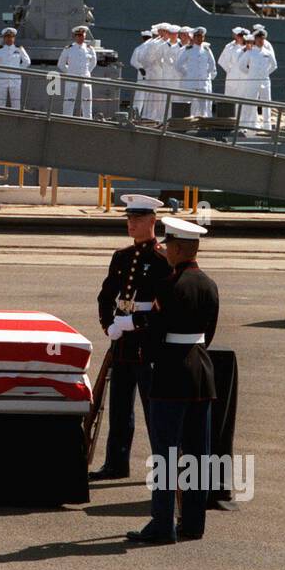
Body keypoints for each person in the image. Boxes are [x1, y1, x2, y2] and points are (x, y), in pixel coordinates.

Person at [119, 216, 219, 544]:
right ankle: (194, 522)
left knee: (166, 453)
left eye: (168, 246)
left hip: (171, 375)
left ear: (176, 249)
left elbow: (155, 333)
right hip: (201, 374)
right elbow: (209, 333)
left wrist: (144, 351)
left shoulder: (169, 285)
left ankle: (162, 524)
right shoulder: (209, 284)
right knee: (197, 453)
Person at [92, 194, 171, 481]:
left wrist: (135, 321)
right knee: (119, 406)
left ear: (152, 221)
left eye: (137, 220)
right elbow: (105, 296)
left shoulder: (163, 258)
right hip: (123, 342)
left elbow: (165, 304)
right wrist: (108, 325)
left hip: (147, 342)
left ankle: (163, 465)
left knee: (155, 409)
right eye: (129, 219)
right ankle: (115, 463)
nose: (131, 224)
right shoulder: (122, 256)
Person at [237, 27, 276, 131]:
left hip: (265, 81)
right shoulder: (250, 52)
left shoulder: (268, 53)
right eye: (259, 39)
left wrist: (265, 74)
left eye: (262, 39)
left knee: (267, 103)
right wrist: (250, 74)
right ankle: (247, 125)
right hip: (252, 81)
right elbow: (241, 65)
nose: (261, 41)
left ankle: (267, 126)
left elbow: (274, 66)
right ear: (255, 39)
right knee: (250, 103)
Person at [57, 24, 97, 119]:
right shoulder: (69, 49)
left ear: (85, 36)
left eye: (82, 35)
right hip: (72, 77)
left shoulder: (89, 49)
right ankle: (66, 119)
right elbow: (61, 64)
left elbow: (93, 63)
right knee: (69, 101)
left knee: (87, 101)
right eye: (78, 35)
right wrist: (70, 72)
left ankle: (88, 120)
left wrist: (86, 72)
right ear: (75, 36)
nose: (81, 37)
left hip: (85, 77)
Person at [180, 27, 216, 118]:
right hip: (191, 83)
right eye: (198, 37)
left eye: (202, 37)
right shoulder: (188, 50)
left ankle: (204, 125)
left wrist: (207, 74)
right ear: (194, 38)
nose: (200, 39)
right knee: (189, 106)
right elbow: (178, 64)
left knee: (204, 107)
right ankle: (187, 123)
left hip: (202, 83)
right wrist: (186, 73)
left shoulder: (207, 50)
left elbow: (212, 64)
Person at [0, 27, 29, 108]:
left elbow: (27, 62)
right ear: (4, 38)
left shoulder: (19, 49)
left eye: (11, 37)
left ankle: (16, 119)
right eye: (7, 37)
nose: (9, 39)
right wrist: (0, 70)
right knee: (0, 104)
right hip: (2, 80)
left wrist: (18, 70)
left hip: (15, 80)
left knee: (16, 104)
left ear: (14, 38)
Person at [219, 27, 249, 101]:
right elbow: (221, 61)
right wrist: (230, 71)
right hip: (232, 78)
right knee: (230, 99)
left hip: (245, 77)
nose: (242, 38)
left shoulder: (250, 47)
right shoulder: (230, 47)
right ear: (235, 36)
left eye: (243, 36)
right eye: (239, 36)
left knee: (244, 99)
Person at [129, 28, 153, 115]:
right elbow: (133, 61)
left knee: (142, 95)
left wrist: (140, 68)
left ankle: (139, 113)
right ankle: (137, 113)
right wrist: (141, 68)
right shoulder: (139, 48)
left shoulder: (139, 48)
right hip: (145, 75)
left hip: (149, 74)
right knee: (141, 95)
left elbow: (133, 61)